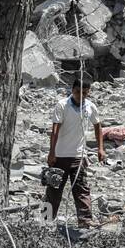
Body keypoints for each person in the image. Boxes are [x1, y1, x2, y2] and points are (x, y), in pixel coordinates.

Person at [45, 78, 105, 228]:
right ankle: (45, 221)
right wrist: (52, 152)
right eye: (78, 92)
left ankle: (85, 220)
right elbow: (55, 130)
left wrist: (100, 148)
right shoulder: (62, 105)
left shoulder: (90, 107)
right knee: (53, 190)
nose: (81, 95)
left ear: (88, 92)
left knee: (81, 189)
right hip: (60, 156)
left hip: (79, 156)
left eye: (84, 93)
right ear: (72, 90)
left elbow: (98, 126)